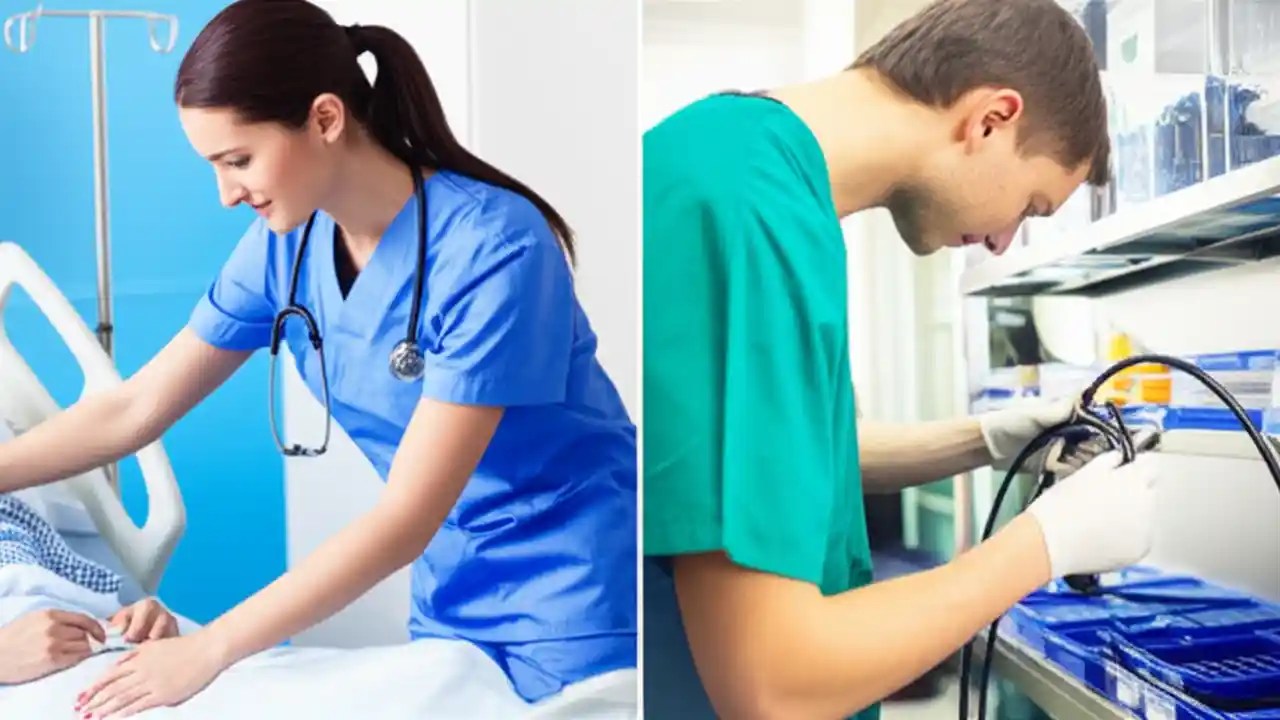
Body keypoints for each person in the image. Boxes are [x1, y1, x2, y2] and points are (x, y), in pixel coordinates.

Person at [0, 0, 636, 716]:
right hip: (451, 601)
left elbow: (404, 518)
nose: (225, 193)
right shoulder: (286, 246)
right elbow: (135, 408)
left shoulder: (493, 250)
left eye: (237, 160)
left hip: (574, 603)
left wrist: (209, 650)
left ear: (326, 119)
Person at [642, 0, 1159, 718]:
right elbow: (770, 682)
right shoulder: (750, 215)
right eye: (1033, 207)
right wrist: (1045, 542)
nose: (1006, 241)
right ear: (990, 120)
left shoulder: (737, 164)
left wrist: (986, 440)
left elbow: (760, 470)